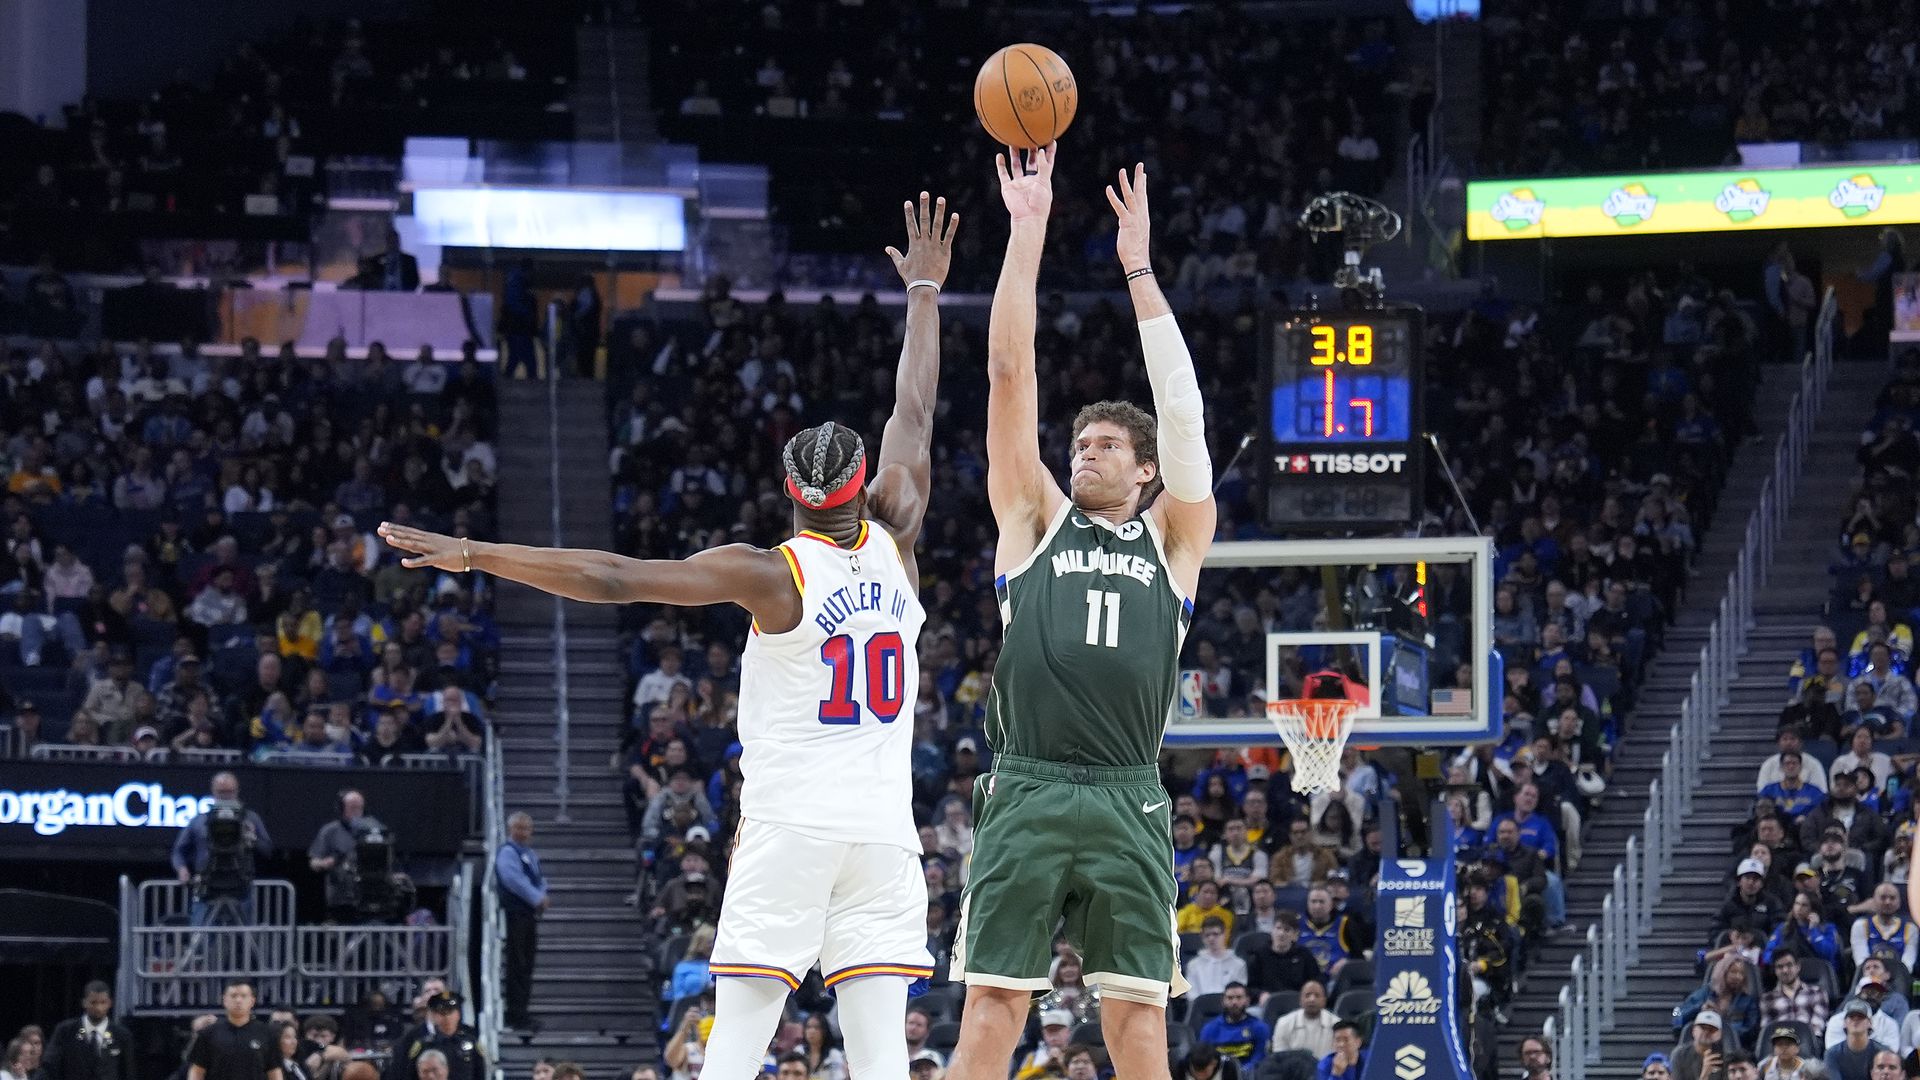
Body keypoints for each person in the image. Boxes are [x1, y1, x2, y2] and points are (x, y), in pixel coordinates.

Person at [380, 191, 957, 1080]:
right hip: (883, 834)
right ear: (858, 487)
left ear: (793, 492)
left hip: (789, 829)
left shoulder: (771, 572)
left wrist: (474, 552)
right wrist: (923, 290)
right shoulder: (898, 529)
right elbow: (913, 409)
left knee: (733, 1049)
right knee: (881, 1056)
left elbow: (614, 577)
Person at [943, 148, 1215, 1080]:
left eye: (1106, 446)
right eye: (1080, 444)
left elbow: (1183, 413)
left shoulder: (1174, 539)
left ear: (1146, 472)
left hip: (1128, 790)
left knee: (1139, 1022)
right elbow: (1009, 372)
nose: (1086, 453)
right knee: (993, 1003)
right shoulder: (1034, 519)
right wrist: (1027, 234)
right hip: (1026, 783)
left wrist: (1138, 270)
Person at [170, 772, 272, 924]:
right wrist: (182, 869)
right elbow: (178, 851)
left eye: (229, 792)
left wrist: (252, 838)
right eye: (221, 792)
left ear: (237, 791)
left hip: (240, 886)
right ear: (213, 792)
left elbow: (268, 849)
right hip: (207, 885)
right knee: (201, 936)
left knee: (244, 940)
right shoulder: (200, 820)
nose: (225, 796)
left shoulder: (250, 818)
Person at [496, 811, 549, 1032]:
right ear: (511, 829)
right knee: (517, 964)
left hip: (528, 915)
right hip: (516, 914)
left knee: (527, 964)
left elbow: (539, 878)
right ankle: (516, 1014)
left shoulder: (530, 854)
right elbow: (513, 880)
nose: (523, 832)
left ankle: (523, 1011)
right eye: (519, 828)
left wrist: (543, 893)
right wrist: (537, 898)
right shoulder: (508, 853)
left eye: (526, 828)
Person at [309, 791, 380, 923]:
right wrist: (326, 863)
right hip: (340, 898)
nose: (357, 812)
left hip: (369, 894)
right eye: (352, 808)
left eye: (360, 808)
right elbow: (314, 863)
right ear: (342, 809)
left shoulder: (373, 829)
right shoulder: (330, 831)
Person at [40, 982, 134, 1080]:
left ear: (110, 1003)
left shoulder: (121, 1035)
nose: (98, 1008)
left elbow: (128, 1073)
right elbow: (49, 1066)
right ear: (84, 1002)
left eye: (103, 1002)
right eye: (93, 1002)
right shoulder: (66, 1031)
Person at [188, 982, 281, 1080]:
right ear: (224, 1000)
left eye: (243, 996)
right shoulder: (208, 1033)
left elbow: (274, 1071)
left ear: (252, 1001)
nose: (238, 1000)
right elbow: (197, 1070)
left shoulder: (267, 1033)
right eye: (233, 996)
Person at [383, 993, 484, 1080]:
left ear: (458, 1014)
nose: (447, 1018)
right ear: (434, 1016)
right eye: (442, 1013)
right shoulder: (422, 1044)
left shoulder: (470, 1040)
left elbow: (480, 1074)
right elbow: (408, 1074)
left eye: (450, 1012)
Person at [1246, 913, 1321, 1001]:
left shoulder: (1304, 955)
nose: (1281, 933)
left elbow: (1316, 981)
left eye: (1287, 930)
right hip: (1267, 1003)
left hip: (1298, 1003)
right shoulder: (1259, 955)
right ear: (1272, 931)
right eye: (1278, 928)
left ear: (1295, 935)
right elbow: (1250, 987)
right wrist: (1260, 995)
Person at [1197, 984, 1268, 1070]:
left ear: (1247, 1000)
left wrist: (1241, 1072)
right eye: (1230, 998)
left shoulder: (1260, 1027)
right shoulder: (1209, 1029)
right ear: (1223, 1001)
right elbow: (1204, 1059)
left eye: (1239, 997)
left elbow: (1260, 1058)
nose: (1234, 1002)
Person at [1269, 980, 1338, 1057]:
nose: (1312, 999)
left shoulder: (1337, 1024)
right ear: (1300, 1000)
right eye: (1307, 995)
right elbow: (1279, 1057)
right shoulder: (1283, 1023)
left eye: (1317, 995)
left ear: (1324, 1001)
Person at [1823, 1001, 1890, 1080]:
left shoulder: (1883, 1053)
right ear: (1844, 1023)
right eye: (1851, 1017)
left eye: (1861, 1017)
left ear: (1870, 1023)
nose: (1856, 1020)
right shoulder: (1832, 1054)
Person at [1183, 918, 1245, 997]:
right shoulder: (1193, 965)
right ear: (1202, 937)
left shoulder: (1238, 964)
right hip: (1201, 1007)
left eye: (1215, 934)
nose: (1211, 938)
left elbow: (1239, 993)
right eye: (1207, 935)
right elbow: (1192, 994)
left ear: (1224, 935)